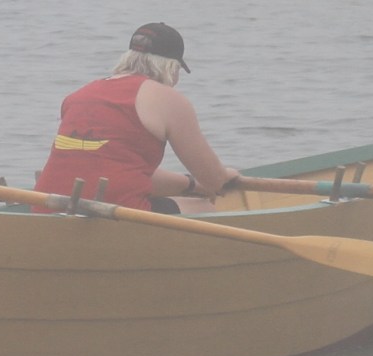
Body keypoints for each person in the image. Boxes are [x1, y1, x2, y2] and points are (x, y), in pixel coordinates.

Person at [33, 23, 242, 214]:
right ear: (172, 67)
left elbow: (126, 172)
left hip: (47, 207)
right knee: (204, 208)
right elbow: (214, 180)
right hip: (115, 212)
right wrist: (224, 176)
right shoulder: (169, 100)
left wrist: (190, 185)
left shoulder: (79, 95)